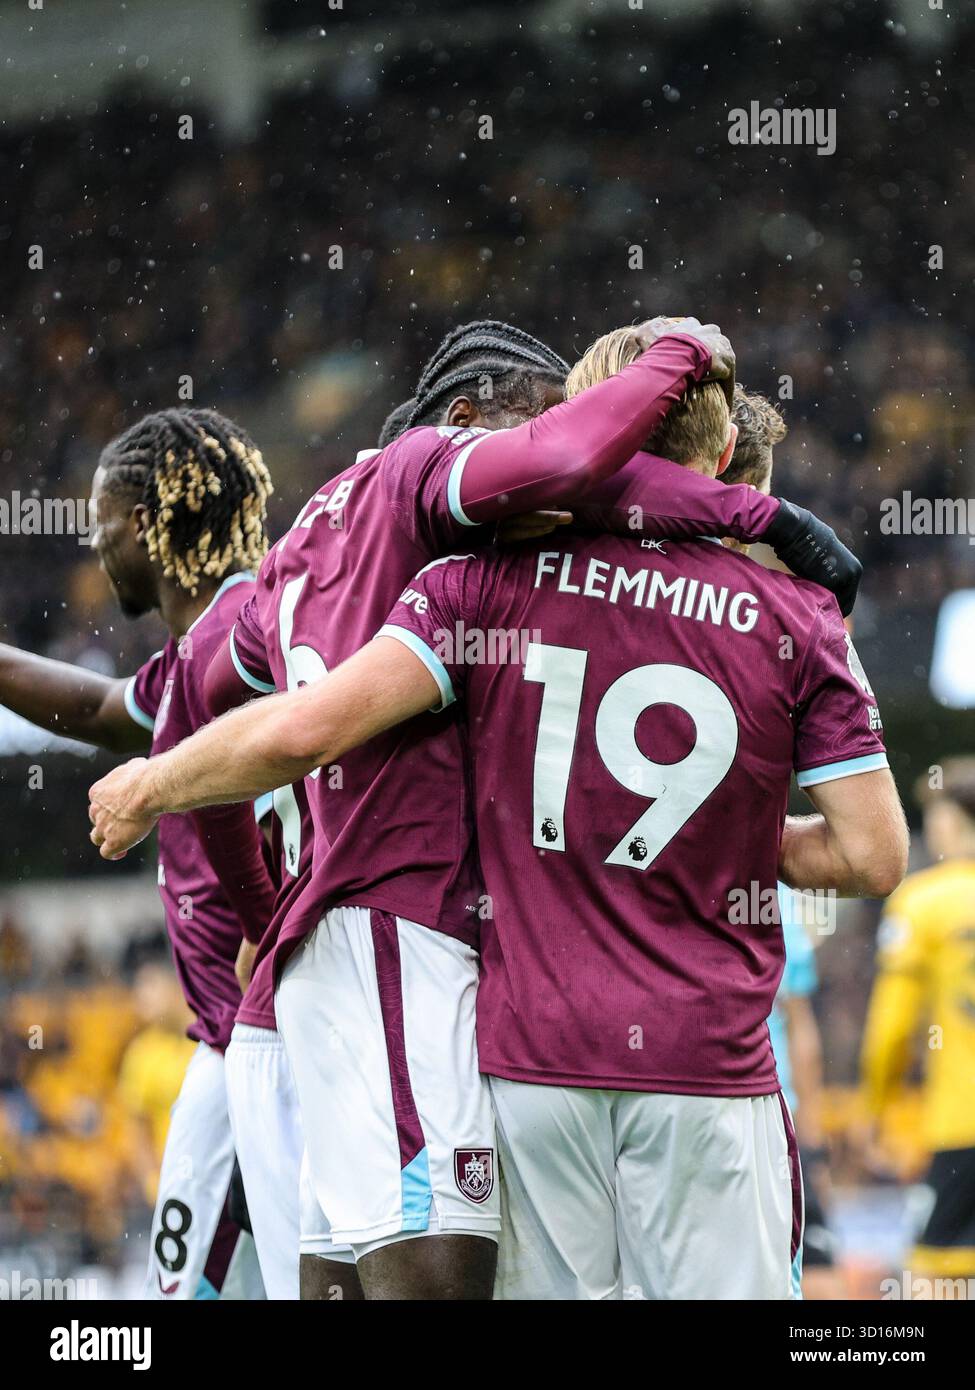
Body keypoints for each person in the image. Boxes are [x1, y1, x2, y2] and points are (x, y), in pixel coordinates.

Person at [88, 331, 906, 1299]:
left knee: (348, 1270)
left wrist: (243, 883)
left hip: (502, 1049)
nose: (547, 472)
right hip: (653, 1042)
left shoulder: (447, 580)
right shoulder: (784, 611)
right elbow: (872, 855)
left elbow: (251, 710)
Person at [0, 407, 277, 1298]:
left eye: (105, 527)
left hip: (274, 1038)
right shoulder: (197, 652)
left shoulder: (247, 639)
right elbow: (93, 709)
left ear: (152, 526)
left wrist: (277, 921)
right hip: (227, 1043)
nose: (95, 547)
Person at [861, 757, 975, 1294]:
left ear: (951, 821)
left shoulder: (924, 901)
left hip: (962, 1126)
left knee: (937, 1279)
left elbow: (892, 1029)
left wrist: (877, 1110)